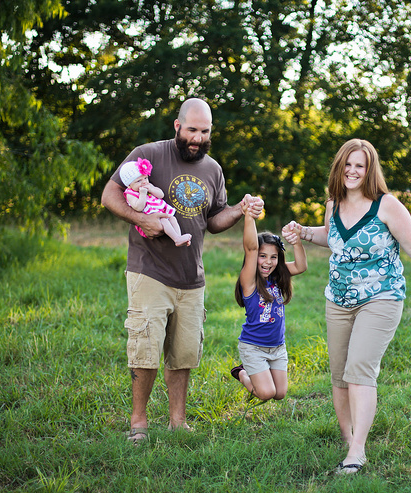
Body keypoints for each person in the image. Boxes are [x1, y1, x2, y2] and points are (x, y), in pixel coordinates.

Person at [284, 138, 411, 474]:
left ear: (370, 171)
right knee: (339, 375)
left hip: (380, 297)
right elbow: (334, 237)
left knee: (359, 370)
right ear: (339, 168)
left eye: (360, 165)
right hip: (338, 299)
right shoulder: (333, 204)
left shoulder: (387, 206)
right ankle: (347, 439)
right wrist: (304, 232)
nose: (352, 171)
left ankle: (357, 451)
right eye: (347, 164)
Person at [101, 98, 264, 441]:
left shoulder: (213, 169)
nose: (197, 138)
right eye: (191, 130)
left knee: (184, 354)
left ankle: (177, 421)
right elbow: (110, 195)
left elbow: (214, 221)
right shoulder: (149, 154)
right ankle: (139, 423)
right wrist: (141, 218)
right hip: (150, 270)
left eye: (204, 132)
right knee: (145, 350)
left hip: (192, 277)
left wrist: (240, 208)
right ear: (177, 126)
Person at [229, 203, 307, 402]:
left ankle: (258, 374)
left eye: (273, 257)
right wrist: (249, 216)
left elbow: (300, 266)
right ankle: (242, 373)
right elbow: (251, 248)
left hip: (277, 347)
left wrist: (297, 242)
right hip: (253, 347)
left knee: (279, 394)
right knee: (266, 393)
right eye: (262, 256)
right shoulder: (249, 282)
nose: (268, 262)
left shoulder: (277, 276)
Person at [120, 158, 192, 246]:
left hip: (160, 211)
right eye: (138, 181)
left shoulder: (149, 185)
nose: (144, 182)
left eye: (145, 178)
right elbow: (138, 207)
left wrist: (151, 189)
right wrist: (143, 194)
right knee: (164, 221)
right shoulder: (130, 194)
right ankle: (176, 239)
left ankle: (179, 237)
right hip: (150, 217)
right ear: (129, 185)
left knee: (172, 218)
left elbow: (161, 195)